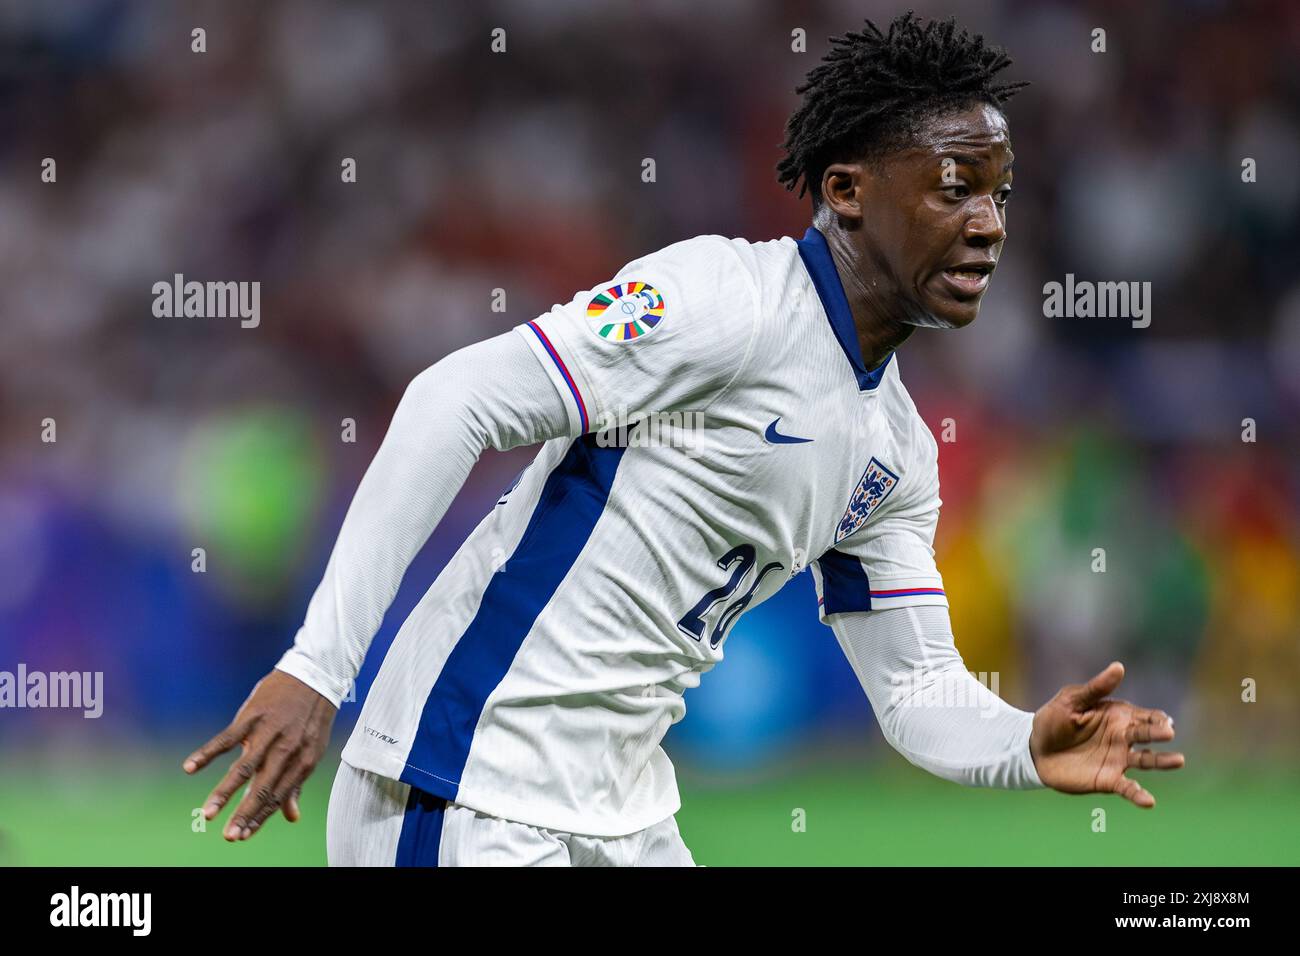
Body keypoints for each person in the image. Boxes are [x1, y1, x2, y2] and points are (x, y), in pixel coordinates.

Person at [183, 13, 1183, 866]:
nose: (987, 225)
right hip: (465, 780)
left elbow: (914, 684)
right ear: (845, 189)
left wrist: (1023, 742)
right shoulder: (723, 301)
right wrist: (320, 666)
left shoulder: (894, 451)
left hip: (625, 813)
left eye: (999, 194)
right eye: (953, 186)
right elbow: (457, 399)